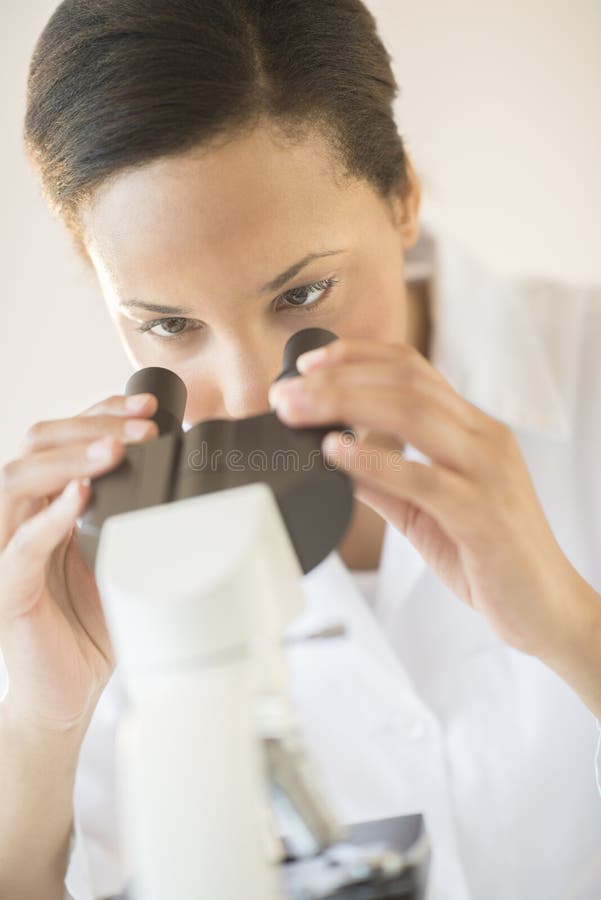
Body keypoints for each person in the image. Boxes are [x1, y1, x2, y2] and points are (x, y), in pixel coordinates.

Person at [1, 0, 600, 898]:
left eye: (303, 292)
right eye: (168, 324)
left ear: (402, 194)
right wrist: (46, 722)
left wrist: (570, 624)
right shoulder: (81, 554)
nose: (249, 396)